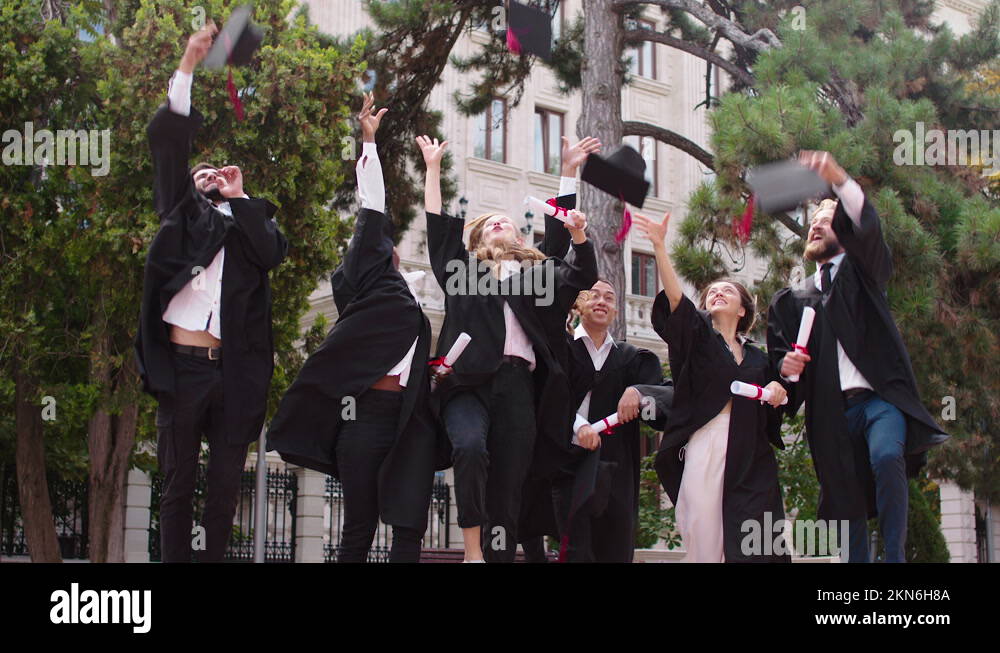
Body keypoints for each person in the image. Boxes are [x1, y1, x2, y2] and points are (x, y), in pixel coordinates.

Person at [266, 94, 445, 563]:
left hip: (411, 420)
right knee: (358, 528)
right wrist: (369, 143)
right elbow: (372, 208)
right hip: (362, 418)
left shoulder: (404, 300)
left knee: (410, 526)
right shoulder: (372, 286)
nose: (381, 242)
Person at [136, 23, 288, 562]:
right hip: (182, 367)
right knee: (177, 486)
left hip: (234, 373)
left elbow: (272, 252)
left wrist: (241, 195)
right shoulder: (183, 217)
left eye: (214, 176)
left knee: (224, 491)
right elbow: (171, 147)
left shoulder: (248, 226)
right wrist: (188, 66)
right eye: (200, 175)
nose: (208, 177)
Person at [418, 134, 600, 562]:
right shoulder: (461, 272)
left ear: (519, 233)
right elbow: (435, 226)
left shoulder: (537, 277)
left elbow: (576, 267)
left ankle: (496, 556)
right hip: (466, 384)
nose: (498, 222)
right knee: (468, 447)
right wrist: (431, 169)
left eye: (505, 220)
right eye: (489, 222)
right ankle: (472, 551)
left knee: (509, 484)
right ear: (478, 238)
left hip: (519, 387)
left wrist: (569, 175)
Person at [767, 150, 950, 563]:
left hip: (880, 400)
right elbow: (780, 365)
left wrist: (838, 180)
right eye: (811, 223)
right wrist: (784, 367)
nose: (815, 225)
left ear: (845, 231)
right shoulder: (792, 301)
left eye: (826, 220)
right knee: (843, 495)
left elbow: (866, 227)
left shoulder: (863, 272)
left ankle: (895, 556)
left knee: (887, 457)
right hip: (831, 411)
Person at [634, 211, 789, 563]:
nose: (718, 293)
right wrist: (659, 245)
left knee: (755, 540)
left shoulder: (758, 358)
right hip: (705, 442)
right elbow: (676, 302)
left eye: (727, 291)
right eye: (712, 292)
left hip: (750, 452)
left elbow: (776, 396)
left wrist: (778, 392)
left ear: (743, 309)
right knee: (705, 536)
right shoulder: (699, 339)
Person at [553, 279, 672, 563]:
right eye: (593, 295)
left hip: (617, 465)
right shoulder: (561, 351)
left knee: (616, 549)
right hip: (571, 464)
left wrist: (639, 391)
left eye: (609, 297)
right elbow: (549, 402)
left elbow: (667, 398)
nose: (602, 301)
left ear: (616, 311)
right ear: (579, 305)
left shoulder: (631, 359)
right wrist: (578, 425)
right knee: (576, 551)